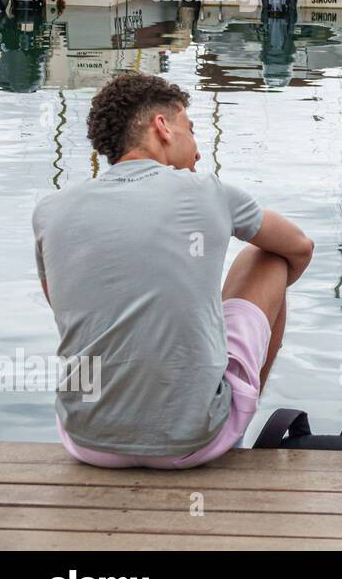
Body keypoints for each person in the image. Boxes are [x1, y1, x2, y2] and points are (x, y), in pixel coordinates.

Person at [32, 73, 315, 469]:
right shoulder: (208, 191)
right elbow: (299, 247)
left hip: (86, 440)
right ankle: (233, 413)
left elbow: (63, 304)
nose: (198, 152)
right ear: (163, 127)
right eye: (191, 130)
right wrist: (232, 319)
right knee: (268, 257)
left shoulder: (50, 210)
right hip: (192, 443)